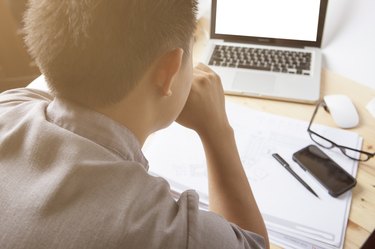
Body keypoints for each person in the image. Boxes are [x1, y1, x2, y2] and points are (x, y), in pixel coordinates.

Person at [0, 0, 269, 248]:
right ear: (168, 72)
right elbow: (252, 242)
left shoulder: (8, 107)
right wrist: (217, 131)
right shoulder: (165, 232)